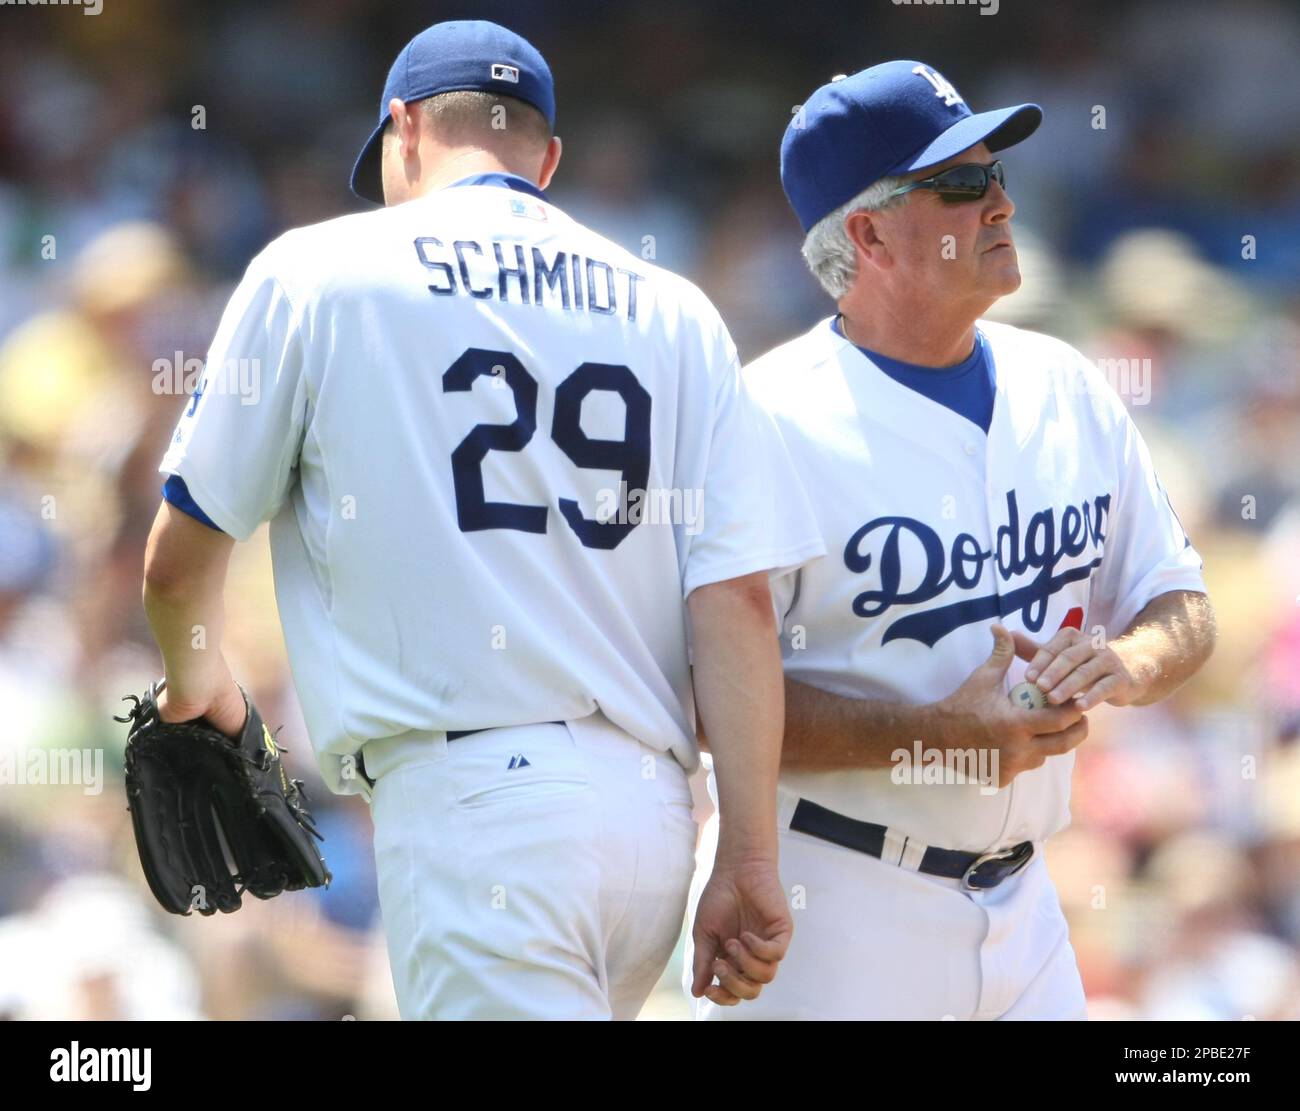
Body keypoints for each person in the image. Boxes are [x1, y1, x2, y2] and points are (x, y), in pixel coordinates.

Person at [141, 19, 823, 1020]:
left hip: (480, 809)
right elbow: (739, 608)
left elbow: (175, 567)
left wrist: (201, 693)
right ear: (544, 159)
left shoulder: (318, 271)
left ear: (404, 130)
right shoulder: (677, 310)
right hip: (654, 826)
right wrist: (749, 855)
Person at [686, 60, 1217, 1020]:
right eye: (963, 184)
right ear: (869, 234)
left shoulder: (1065, 383)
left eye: (997, 176)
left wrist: (1129, 661)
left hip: (1029, 904)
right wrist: (936, 738)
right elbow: (704, 698)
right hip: (835, 906)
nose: (1002, 204)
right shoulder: (763, 420)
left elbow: (1182, 602)